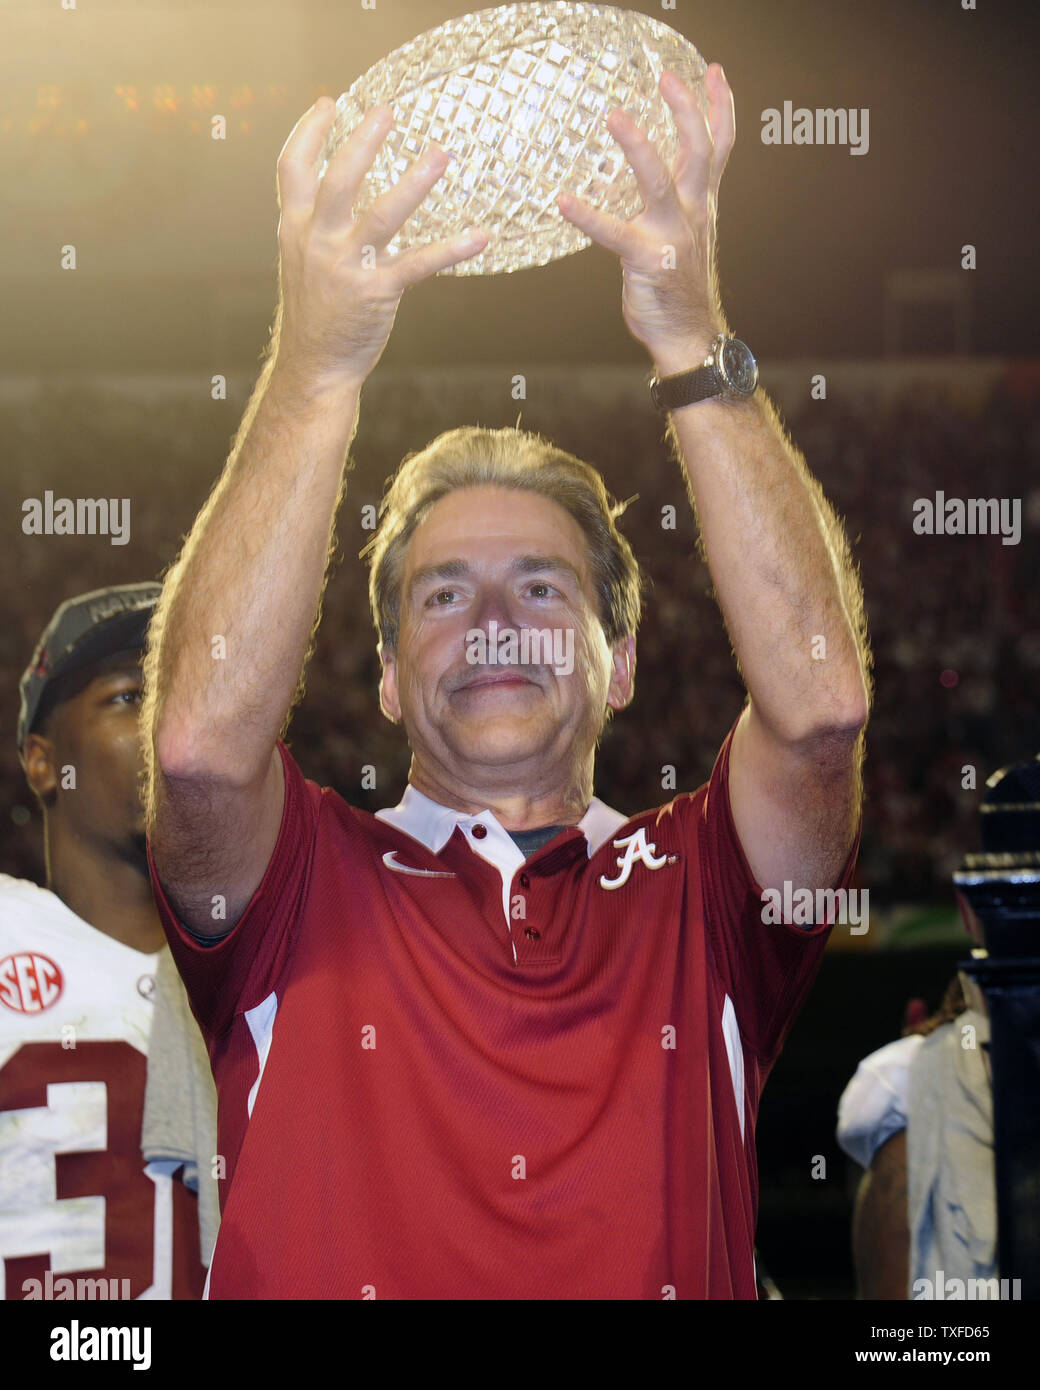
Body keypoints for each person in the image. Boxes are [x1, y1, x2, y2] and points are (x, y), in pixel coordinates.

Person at [142, 64, 870, 1298]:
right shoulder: (299, 884)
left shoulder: (703, 894)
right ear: (382, 677)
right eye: (440, 593)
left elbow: (819, 716)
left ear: (620, 660)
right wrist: (315, 370)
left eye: (541, 587)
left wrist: (691, 340)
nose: (491, 623)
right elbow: (202, 746)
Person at [0, 585, 212, 1300]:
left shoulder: (283, 968)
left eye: (178, 694)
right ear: (41, 760)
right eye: (128, 697)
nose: (164, 723)